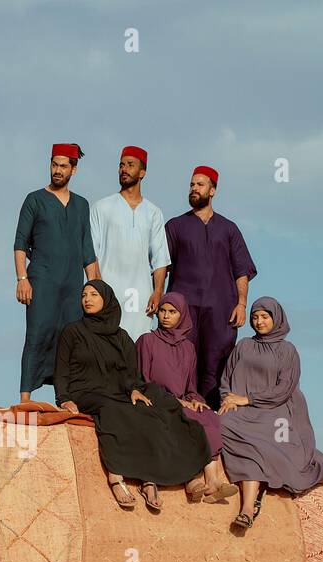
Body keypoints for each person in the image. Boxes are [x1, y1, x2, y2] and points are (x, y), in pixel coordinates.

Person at [54, 280, 211, 511]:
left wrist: (134, 389)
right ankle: (116, 476)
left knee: (155, 404)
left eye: (94, 295)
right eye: (84, 295)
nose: (87, 299)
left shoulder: (121, 337)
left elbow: (131, 374)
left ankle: (152, 479)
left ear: (106, 299)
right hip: (85, 392)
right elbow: (61, 370)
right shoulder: (72, 332)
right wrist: (64, 398)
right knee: (113, 410)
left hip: (119, 390)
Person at [217, 295, 323, 530]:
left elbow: (284, 388)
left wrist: (248, 399)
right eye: (254, 317)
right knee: (223, 424)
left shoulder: (287, 350)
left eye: (264, 317)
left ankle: (247, 509)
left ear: (276, 318)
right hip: (241, 409)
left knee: (264, 440)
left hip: (276, 410)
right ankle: (249, 506)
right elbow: (226, 378)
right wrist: (227, 399)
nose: (259, 322)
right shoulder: (244, 345)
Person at [164, 165, 257, 409]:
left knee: (217, 363)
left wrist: (242, 303)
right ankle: (184, 414)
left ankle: (214, 419)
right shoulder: (175, 226)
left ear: (212, 190)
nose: (194, 188)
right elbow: (162, 267)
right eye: (191, 185)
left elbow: (242, 270)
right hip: (184, 310)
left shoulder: (229, 229)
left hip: (221, 309)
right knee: (183, 359)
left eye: (200, 185)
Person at [14, 144, 100, 403]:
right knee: (37, 333)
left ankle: (64, 397)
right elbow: (20, 243)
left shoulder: (82, 205)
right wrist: (22, 279)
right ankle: (25, 399)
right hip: (41, 281)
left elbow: (88, 252)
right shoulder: (35, 200)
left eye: (63, 166)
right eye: (54, 164)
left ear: (74, 169)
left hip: (72, 286)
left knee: (69, 340)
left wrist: (98, 290)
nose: (57, 170)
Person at [136, 291, 238, 502]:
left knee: (208, 417)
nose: (165, 316)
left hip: (182, 401)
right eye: (163, 311)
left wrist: (196, 400)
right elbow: (142, 381)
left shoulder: (188, 348)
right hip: (158, 401)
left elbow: (190, 386)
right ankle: (193, 478)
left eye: (172, 312)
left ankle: (213, 481)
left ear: (182, 315)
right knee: (187, 421)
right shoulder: (147, 341)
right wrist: (174, 400)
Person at [88, 146, 170, 341]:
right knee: (106, 346)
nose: (124, 169)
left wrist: (158, 292)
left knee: (138, 349)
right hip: (109, 291)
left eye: (130, 165)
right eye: (121, 165)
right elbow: (92, 254)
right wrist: (99, 291)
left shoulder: (153, 212)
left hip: (140, 296)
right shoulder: (102, 207)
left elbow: (160, 259)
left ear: (142, 172)